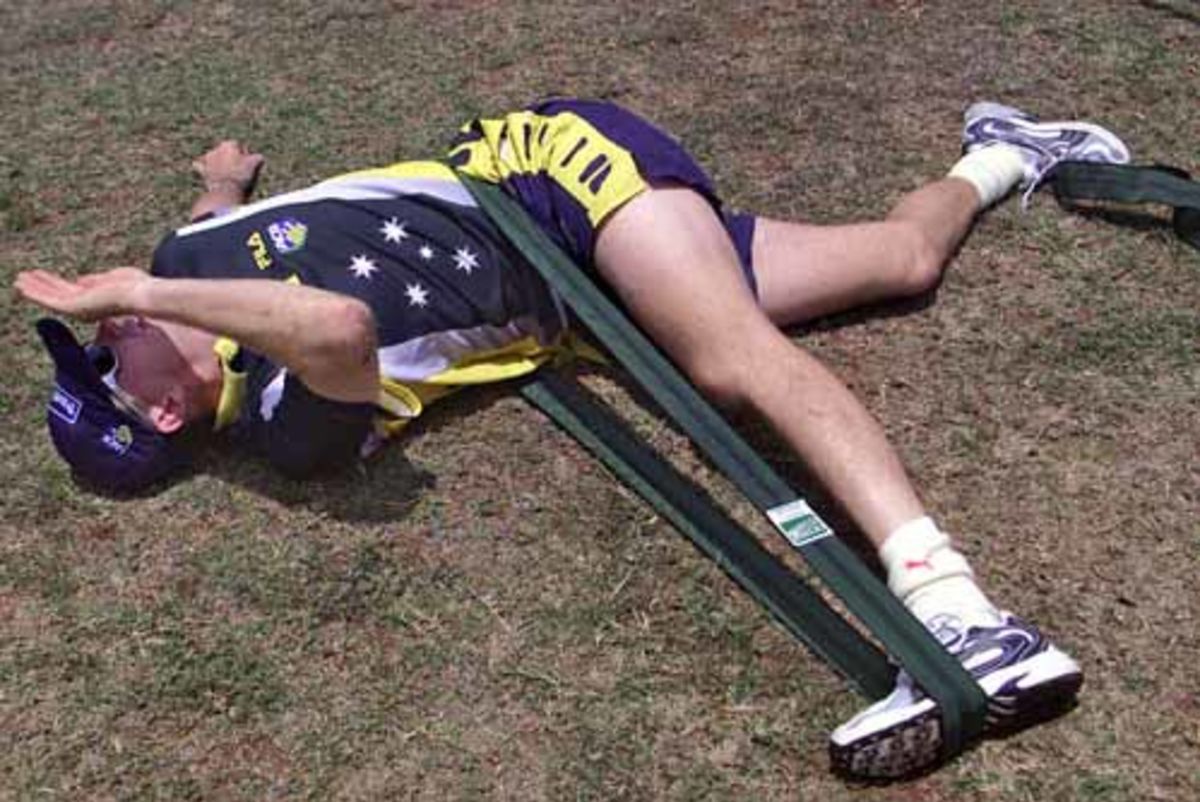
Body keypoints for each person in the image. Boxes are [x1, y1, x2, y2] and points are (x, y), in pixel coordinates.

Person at [13, 98, 1131, 779]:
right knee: (898, 264)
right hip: (570, 292)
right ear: (164, 412)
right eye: (106, 360)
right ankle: (1003, 154)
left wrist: (216, 190)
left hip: (536, 174)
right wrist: (152, 286)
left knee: (726, 358)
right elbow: (336, 325)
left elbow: (216, 228)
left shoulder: (180, 253)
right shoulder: (283, 422)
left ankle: (960, 613)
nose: (107, 325)